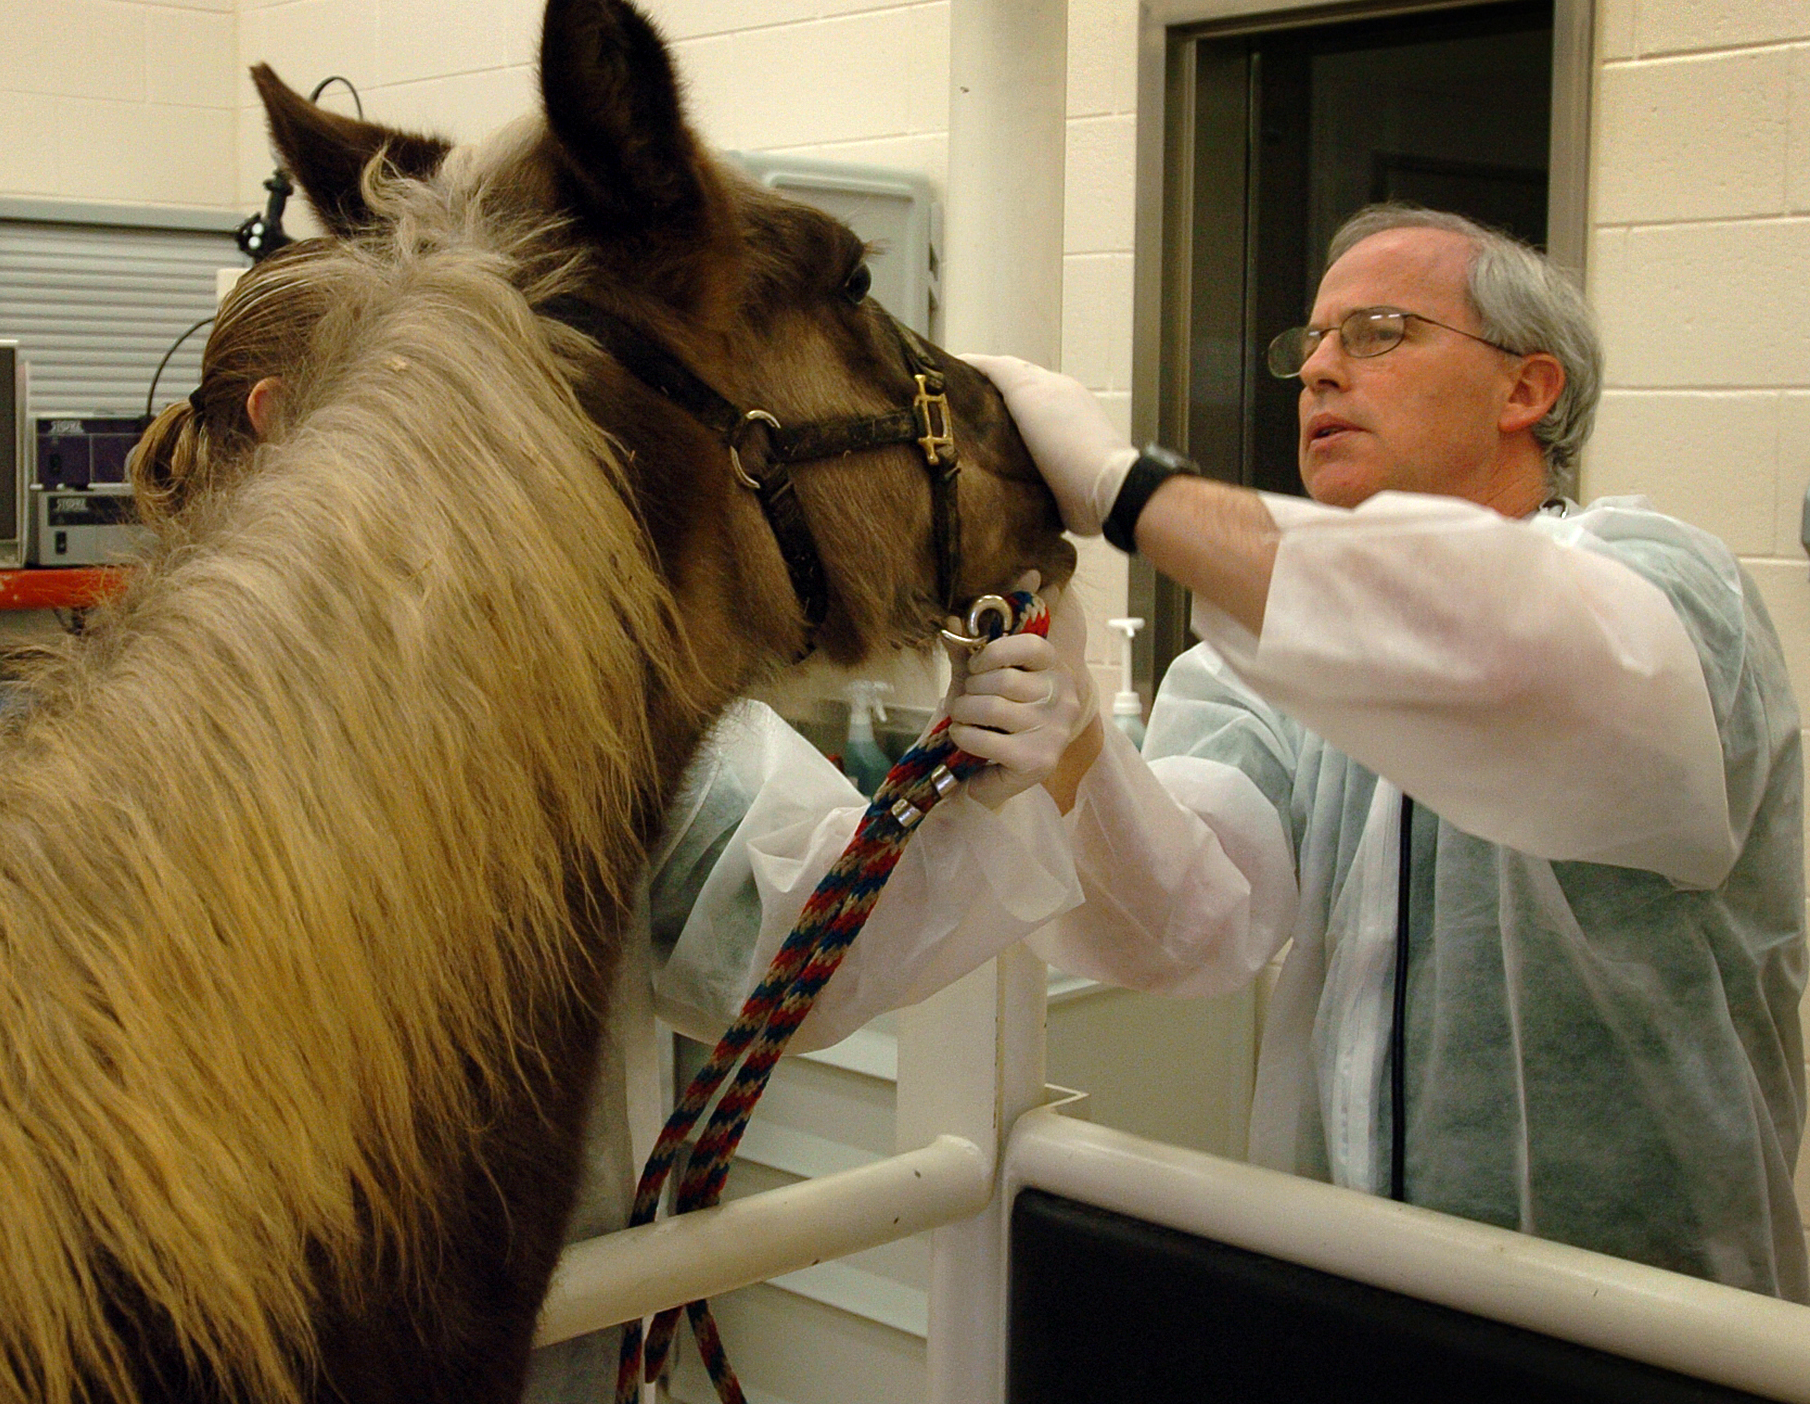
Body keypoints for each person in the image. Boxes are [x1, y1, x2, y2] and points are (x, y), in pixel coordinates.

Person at [129, 241, 1087, 1396]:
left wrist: (965, 795)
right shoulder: (120, 757)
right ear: (288, 427)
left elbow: (805, 948)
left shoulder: (572, 703)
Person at [949, 202, 1809, 1300]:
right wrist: (1073, 745)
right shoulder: (1265, 661)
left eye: (1378, 331)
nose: (1319, 371)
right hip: (1353, 1291)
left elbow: (1503, 647)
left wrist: (1132, 490)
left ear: (1527, 389)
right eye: (1309, 344)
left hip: (1641, 1317)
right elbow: (1193, 924)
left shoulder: (1667, 593)